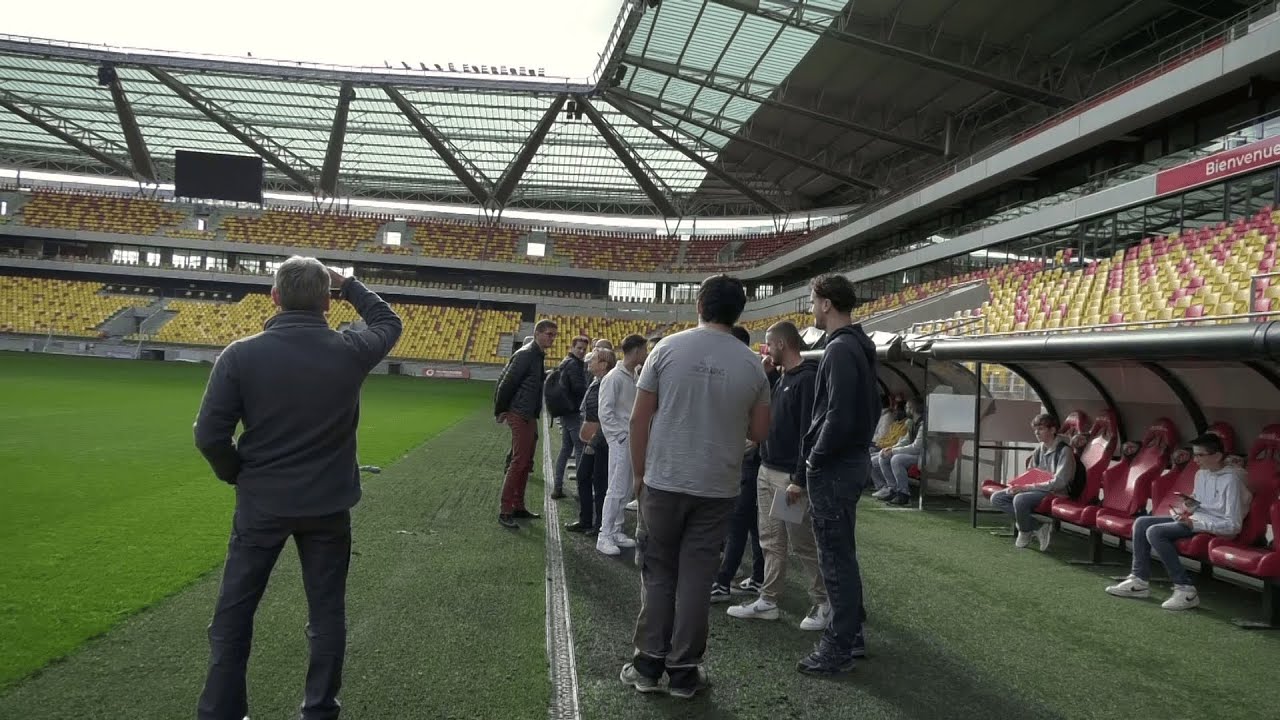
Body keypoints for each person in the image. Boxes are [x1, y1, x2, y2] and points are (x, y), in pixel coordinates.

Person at [192, 257, 403, 720]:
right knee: (326, 614)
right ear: (328, 302)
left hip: (262, 503)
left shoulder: (240, 354)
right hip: (328, 505)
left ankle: (221, 711)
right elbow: (389, 320)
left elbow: (209, 435)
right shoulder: (350, 349)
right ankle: (319, 709)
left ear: (273, 297)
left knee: (234, 613)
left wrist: (236, 473)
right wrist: (349, 285)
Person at [621, 275, 771, 699]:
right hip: (717, 487)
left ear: (700, 305)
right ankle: (684, 670)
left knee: (659, 573)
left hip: (664, 481)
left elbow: (638, 419)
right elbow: (760, 431)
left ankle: (648, 664)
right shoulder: (751, 363)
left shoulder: (667, 348)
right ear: (738, 311)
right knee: (696, 579)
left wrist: (638, 476)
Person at [794, 273, 880, 676]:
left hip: (834, 468)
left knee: (834, 559)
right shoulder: (858, 347)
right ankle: (852, 635)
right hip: (849, 464)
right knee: (841, 554)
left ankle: (838, 646)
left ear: (827, 303)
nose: (811, 308)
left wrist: (816, 457)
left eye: (813, 300)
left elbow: (838, 414)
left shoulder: (840, 350)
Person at [726, 320, 830, 631]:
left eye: (770, 345)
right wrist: (768, 373)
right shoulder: (782, 378)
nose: (766, 351)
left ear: (782, 345)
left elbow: (806, 434)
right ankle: (768, 599)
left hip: (787, 477)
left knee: (801, 543)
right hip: (767, 470)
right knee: (770, 539)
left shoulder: (807, 380)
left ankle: (824, 602)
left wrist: (799, 477)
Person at [1105, 433, 1250, 610]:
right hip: (1196, 520)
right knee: (1141, 522)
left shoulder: (1232, 480)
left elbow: (1233, 525)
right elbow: (1202, 505)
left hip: (1214, 527)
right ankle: (1138, 581)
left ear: (1217, 455)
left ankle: (1185, 589)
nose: (1195, 460)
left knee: (1155, 531)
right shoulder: (1201, 474)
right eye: (1194, 454)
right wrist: (1189, 506)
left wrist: (1195, 524)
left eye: (1200, 455)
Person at [710, 325, 766, 602]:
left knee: (738, 520)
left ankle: (722, 581)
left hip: (749, 459)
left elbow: (762, 421)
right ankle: (758, 576)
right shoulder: (753, 370)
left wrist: (754, 441)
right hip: (747, 457)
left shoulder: (752, 372)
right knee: (754, 523)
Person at [494, 319, 558, 529]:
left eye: (554, 335)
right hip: (519, 413)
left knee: (525, 462)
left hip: (528, 414)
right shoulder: (526, 354)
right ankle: (505, 509)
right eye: (549, 334)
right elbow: (506, 382)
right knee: (519, 461)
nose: (552, 338)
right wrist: (501, 409)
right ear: (538, 333)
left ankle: (518, 505)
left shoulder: (536, 355)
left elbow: (528, 381)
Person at [989, 413, 1076, 552]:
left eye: (1041, 429)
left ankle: (1025, 532)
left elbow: (1060, 482)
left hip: (1055, 492)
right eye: (1035, 429)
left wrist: (1024, 488)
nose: (1037, 432)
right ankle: (1037, 527)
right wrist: (1016, 485)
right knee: (997, 498)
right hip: (1037, 489)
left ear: (1052, 430)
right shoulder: (1040, 448)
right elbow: (1032, 472)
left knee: (1020, 499)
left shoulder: (1064, 451)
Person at [597, 334, 649, 556]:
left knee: (626, 488)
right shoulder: (614, 377)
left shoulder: (631, 376)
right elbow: (605, 412)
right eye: (644, 350)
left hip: (630, 440)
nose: (646, 354)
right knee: (616, 488)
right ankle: (604, 535)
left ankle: (616, 530)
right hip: (621, 440)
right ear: (636, 351)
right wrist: (618, 437)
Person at [566, 348, 616, 534]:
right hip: (593, 439)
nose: (589, 360)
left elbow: (609, 417)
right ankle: (586, 520)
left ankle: (599, 525)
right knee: (584, 477)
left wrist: (594, 442)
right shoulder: (597, 381)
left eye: (593, 359)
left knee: (599, 483)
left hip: (601, 442)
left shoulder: (608, 383)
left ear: (603, 364)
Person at [552, 335, 590, 500]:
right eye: (579, 348)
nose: (581, 351)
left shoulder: (566, 361)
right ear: (572, 347)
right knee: (580, 449)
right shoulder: (574, 365)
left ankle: (558, 486)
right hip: (573, 412)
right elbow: (579, 389)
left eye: (584, 349)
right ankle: (580, 490)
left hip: (565, 411)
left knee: (566, 449)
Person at [877, 398, 924, 506]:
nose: (906, 410)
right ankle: (893, 489)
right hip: (914, 453)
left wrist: (893, 451)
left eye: (907, 407)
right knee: (884, 456)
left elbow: (916, 447)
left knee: (897, 459)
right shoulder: (912, 423)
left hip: (924, 456)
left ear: (912, 409)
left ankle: (903, 494)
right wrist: (890, 448)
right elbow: (905, 440)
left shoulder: (922, 424)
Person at [868, 395, 910, 499]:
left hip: (895, 449)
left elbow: (898, 441)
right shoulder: (895, 424)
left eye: (897, 410)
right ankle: (884, 486)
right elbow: (888, 437)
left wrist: (884, 446)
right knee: (870, 457)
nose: (894, 412)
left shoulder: (906, 424)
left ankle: (891, 488)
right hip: (887, 447)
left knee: (881, 458)